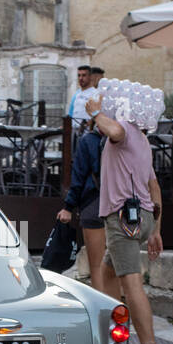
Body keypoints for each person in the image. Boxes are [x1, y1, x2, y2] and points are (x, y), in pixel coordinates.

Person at [86, 91, 164, 344]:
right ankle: (111, 341)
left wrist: (96, 113)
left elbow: (114, 129)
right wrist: (155, 229)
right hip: (141, 218)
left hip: (123, 221)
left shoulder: (126, 132)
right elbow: (154, 188)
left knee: (132, 285)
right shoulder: (144, 142)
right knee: (107, 276)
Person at [57, 66, 108, 295]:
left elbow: (78, 178)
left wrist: (68, 206)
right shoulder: (122, 139)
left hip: (94, 203)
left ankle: (104, 311)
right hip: (119, 205)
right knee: (116, 266)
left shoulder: (88, 141)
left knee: (96, 266)